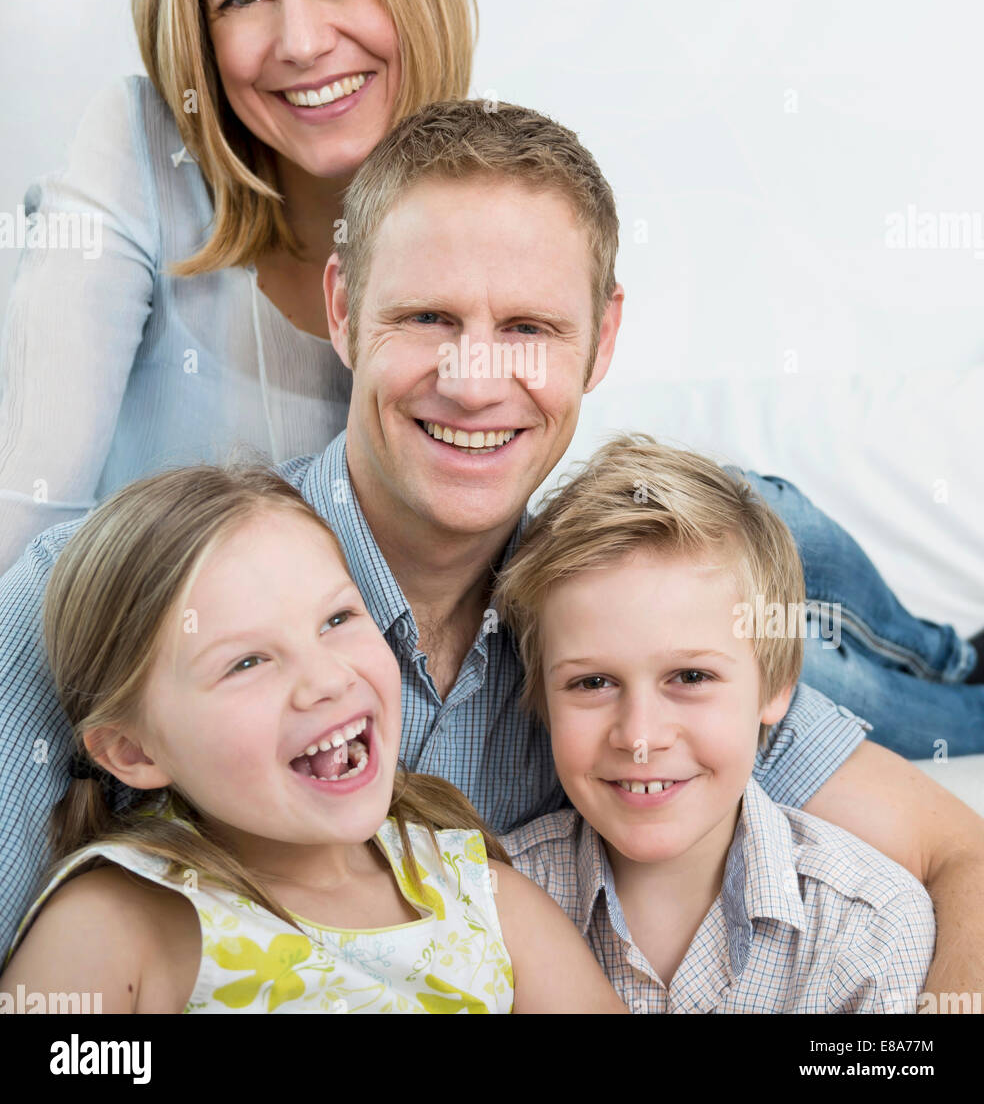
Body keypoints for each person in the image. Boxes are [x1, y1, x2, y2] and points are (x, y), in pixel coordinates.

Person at [1, 100, 981, 1001]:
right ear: (341, 308)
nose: (474, 382)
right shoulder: (101, 597)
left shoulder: (614, 625)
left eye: (530, 328)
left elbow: (956, 852)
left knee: (899, 654)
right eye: (428, 317)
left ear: (603, 340)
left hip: (753, 542)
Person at [0, 0, 476, 572]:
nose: (301, 42)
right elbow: (23, 515)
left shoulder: (498, 199)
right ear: (199, 34)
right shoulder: (144, 148)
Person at [0, 464, 624, 1015]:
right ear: (134, 752)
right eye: (246, 662)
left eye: (337, 619)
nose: (325, 679)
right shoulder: (119, 923)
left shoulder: (481, 900)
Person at [495, 434, 937, 1012]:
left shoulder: (870, 930)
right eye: (593, 683)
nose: (640, 736)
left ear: (777, 686)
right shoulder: (491, 902)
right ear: (542, 700)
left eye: (691, 677)